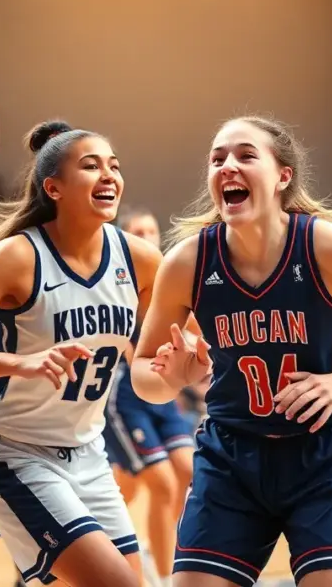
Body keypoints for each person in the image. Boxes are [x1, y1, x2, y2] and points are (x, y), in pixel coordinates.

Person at [131, 116, 332, 587]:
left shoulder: (325, 245)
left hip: (323, 452)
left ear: (283, 176)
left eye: (245, 155)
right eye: (217, 159)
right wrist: (171, 378)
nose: (227, 166)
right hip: (231, 457)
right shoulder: (187, 262)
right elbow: (144, 373)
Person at [0, 121, 153, 587]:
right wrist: (21, 363)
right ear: (53, 188)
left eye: (114, 166)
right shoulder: (17, 256)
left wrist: (180, 365)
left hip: (88, 451)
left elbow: (162, 355)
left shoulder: (138, 258)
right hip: (12, 450)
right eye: (91, 166)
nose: (108, 175)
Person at [104, 206, 195, 587]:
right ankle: (163, 575)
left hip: (161, 397)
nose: (146, 238)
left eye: (151, 231)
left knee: (186, 473)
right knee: (162, 483)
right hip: (124, 397)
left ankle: (154, 547)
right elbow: (130, 351)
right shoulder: (116, 282)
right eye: (137, 232)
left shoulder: (170, 280)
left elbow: (193, 330)